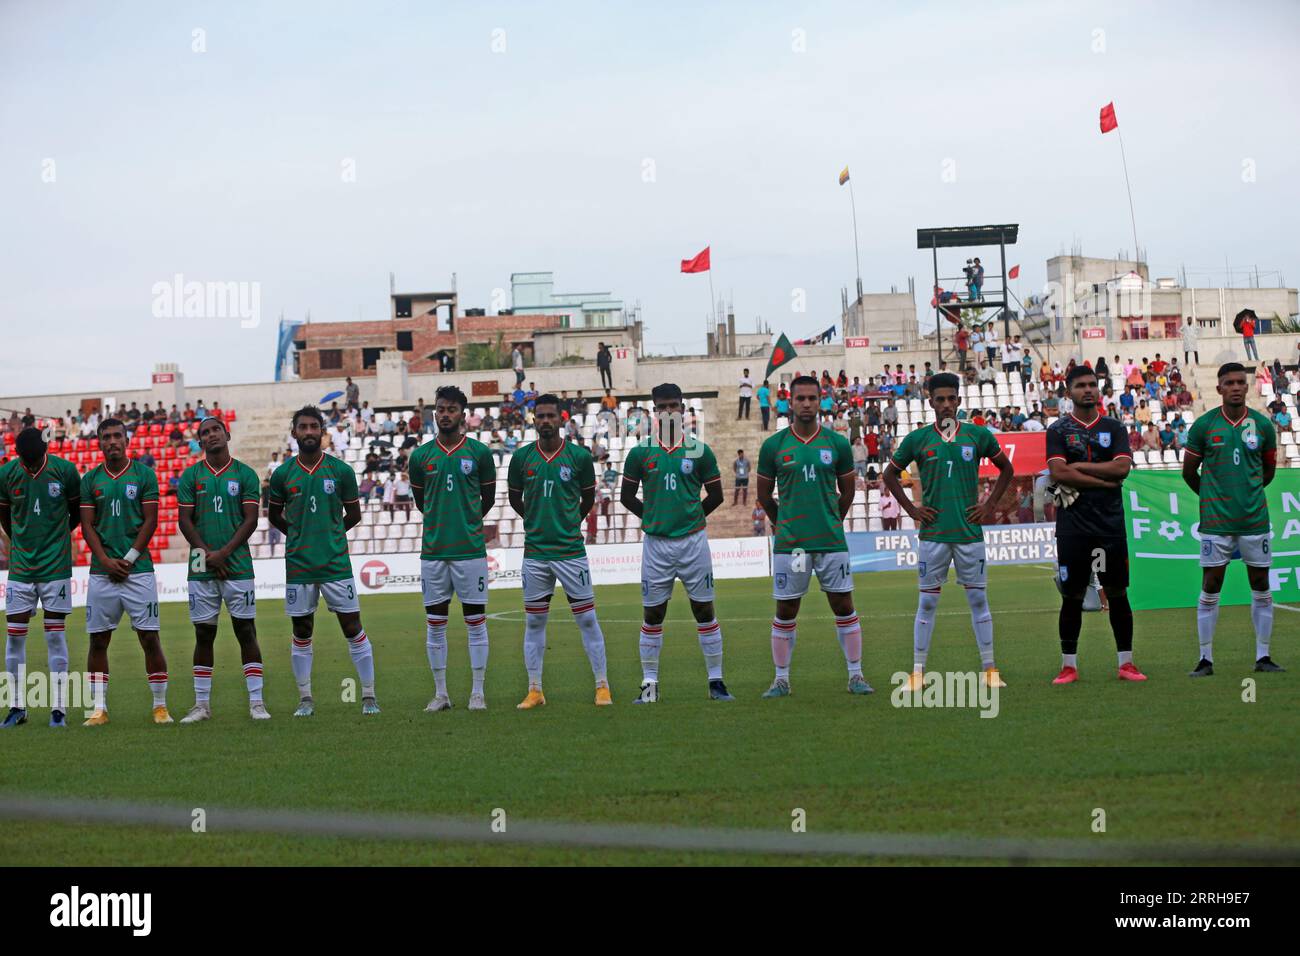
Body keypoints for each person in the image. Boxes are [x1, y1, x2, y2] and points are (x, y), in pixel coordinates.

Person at [883, 373, 1015, 688]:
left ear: (958, 400)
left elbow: (1006, 469)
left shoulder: (977, 436)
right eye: (939, 399)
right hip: (934, 536)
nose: (945, 405)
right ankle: (917, 672)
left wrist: (990, 504)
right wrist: (912, 510)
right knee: (927, 603)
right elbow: (890, 475)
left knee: (979, 601)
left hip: (969, 534)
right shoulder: (917, 440)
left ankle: (990, 671)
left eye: (950, 399)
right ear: (930, 402)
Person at [756, 375, 870, 698]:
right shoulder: (774, 446)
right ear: (789, 402)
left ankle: (856, 675)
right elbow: (765, 496)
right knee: (786, 610)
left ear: (821, 401)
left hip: (831, 542)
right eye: (800, 398)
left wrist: (831, 520)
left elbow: (846, 492)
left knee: (843, 604)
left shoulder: (836, 444)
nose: (806, 404)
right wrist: (784, 524)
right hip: (791, 546)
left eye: (812, 398)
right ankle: (781, 679)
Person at [620, 382, 732, 703]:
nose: (668, 411)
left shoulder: (700, 450)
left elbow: (717, 495)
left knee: (704, 610)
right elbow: (627, 496)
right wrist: (652, 517)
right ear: (655, 412)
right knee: (653, 615)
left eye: (673, 405)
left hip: (693, 541)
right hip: (656, 544)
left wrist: (693, 517)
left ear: (683, 409)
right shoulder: (641, 452)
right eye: (662, 407)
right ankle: (649, 686)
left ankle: (716, 682)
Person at [269, 406, 377, 717]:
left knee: (352, 626)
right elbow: (275, 515)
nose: (308, 432)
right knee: (302, 630)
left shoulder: (341, 471)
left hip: (335, 564)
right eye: (302, 427)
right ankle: (305, 699)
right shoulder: (282, 475)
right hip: (300, 566)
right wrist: (299, 536)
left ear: (322, 432)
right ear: (294, 433)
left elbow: (354, 515)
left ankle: (368, 696)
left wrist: (329, 535)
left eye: (314, 427)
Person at [507, 394, 612, 708]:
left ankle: (602, 686)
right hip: (535, 554)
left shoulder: (578, 457)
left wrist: (568, 522)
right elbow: (516, 500)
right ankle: (535, 689)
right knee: (535, 623)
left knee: (588, 620)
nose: (545, 421)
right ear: (534, 420)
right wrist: (535, 520)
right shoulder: (521, 458)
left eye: (551, 416)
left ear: (561, 419)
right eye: (540, 416)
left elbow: (587, 499)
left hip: (570, 552)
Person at [1045, 366, 1144, 685]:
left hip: (1109, 526)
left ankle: (1126, 663)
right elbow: (1059, 474)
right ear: (1067, 391)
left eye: (1092, 385)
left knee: (1117, 593)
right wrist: (1103, 482)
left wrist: (1081, 468)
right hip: (1073, 526)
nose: (1088, 390)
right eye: (1080, 385)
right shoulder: (1058, 430)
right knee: (1072, 595)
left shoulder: (1114, 427)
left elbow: (1122, 469)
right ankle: (1068, 666)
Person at [1183, 363, 1283, 676]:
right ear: (1219, 389)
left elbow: (1268, 470)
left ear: (1247, 386)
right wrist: (1213, 499)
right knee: (1211, 585)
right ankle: (1205, 659)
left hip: (1255, 521)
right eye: (1230, 382)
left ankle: (1263, 657)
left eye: (1241, 381)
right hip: (1216, 524)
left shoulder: (1263, 426)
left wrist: (1248, 495)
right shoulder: (1204, 426)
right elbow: (1188, 472)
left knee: (1261, 585)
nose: (1236, 387)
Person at [407, 385, 497, 712]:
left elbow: (485, 499)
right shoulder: (420, 457)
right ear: (434, 412)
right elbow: (422, 502)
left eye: (452, 409)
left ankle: (477, 693)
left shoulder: (479, 453)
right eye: (441, 409)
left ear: (463, 414)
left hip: (470, 551)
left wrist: (467, 521)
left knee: (476, 622)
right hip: (433, 553)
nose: (445, 414)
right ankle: (441, 693)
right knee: (435, 624)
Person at [77, 419, 170, 725]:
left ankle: (160, 706)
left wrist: (128, 558)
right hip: (101, 573)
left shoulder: (144, 474)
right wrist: (104, 560)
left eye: (117, 436)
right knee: (98, 641)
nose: (112, 441)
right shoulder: (90, 480)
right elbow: (87, 525)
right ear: (99, 442)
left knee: (149, 638)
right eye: (106, 437)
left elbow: (150, 520)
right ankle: (99, 709)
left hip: (138, 571)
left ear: (127, 439)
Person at [176, 417, 267, 723]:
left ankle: (256, 702)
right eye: (205, 433)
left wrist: (224, 553)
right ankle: (202, 705)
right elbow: (185, 521)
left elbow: (251, 519)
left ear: (227, 434)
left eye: (216, 429)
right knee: (203, 634)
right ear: (200, 441)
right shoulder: (191, 476)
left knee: (246, 631)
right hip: (201, 564)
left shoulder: (245, 474)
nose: (211, 435)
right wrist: (207, 554)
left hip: (237, 563)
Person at [0, 428, 81, 727]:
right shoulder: (6, 474)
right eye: (27, 462)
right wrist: (20, 541)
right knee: (14, 638)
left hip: (55, 568)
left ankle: (58, 709)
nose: (32, 466)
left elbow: (75, 512)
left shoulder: (65, 471)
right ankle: (17, 706)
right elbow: (5, 516)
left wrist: (56, 538)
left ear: (46, 451)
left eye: (36, 461)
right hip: (21, 569)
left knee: (55, 635)